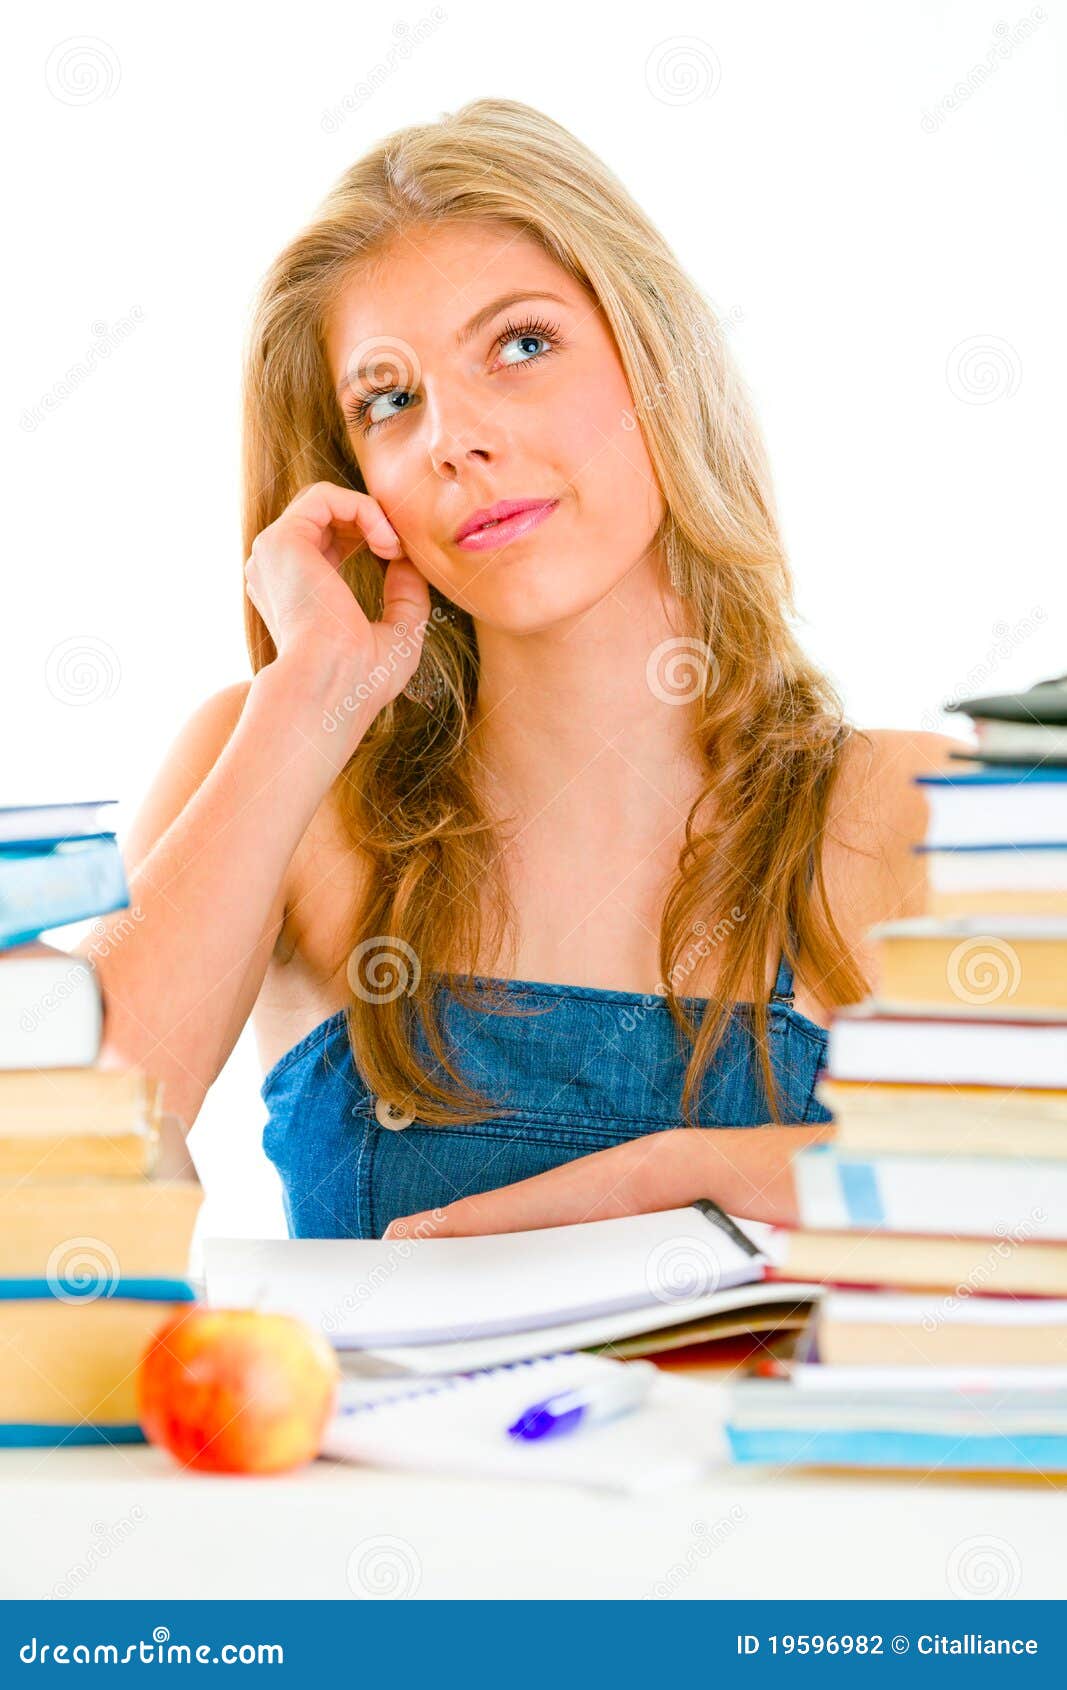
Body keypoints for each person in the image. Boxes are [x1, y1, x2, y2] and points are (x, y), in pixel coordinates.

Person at [83, 99, 971, 1242]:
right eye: (390, 401)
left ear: (653, 357)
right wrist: (308, 700)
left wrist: (670, 1173)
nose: (453, 438)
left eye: (521, 345)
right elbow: (52, 1160)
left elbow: (1023, 1215)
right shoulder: (277, 764)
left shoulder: (916, 812)